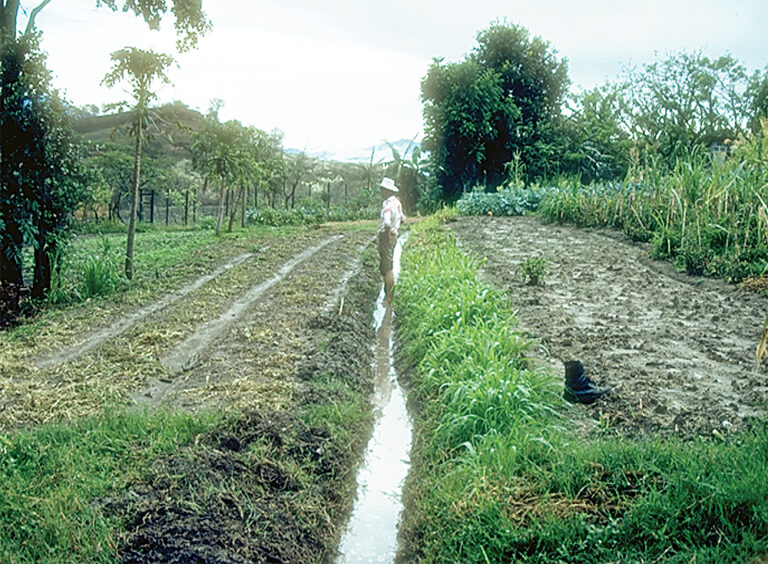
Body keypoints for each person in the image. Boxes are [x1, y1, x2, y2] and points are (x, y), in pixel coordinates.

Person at [377, 177, 405, 305]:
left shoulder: (387, 204)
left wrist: (388, 234)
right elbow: (403, 218)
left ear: (387, 191)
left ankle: (389, 298)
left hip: (386, 236)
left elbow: (387, 222)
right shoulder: (397, 203)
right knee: (387, 265)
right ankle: (387, 294)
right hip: (393, 236)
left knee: (387, 268)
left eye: (382, 190)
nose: (381, 192)